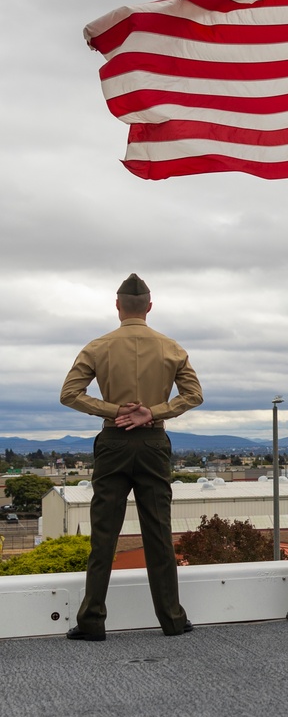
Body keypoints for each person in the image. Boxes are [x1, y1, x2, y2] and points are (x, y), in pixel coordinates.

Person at [60, 273, 203, 641]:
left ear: (118, 306)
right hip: (154, 444)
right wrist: (152, 412)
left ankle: (92, 621)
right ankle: (172, 619)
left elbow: (70, 393)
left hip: (112, 444)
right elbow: (193, 395)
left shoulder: (98, 346)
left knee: (104, 534)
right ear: (149, 308)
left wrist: (112, 409)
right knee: (158, 532)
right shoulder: (171, 348)